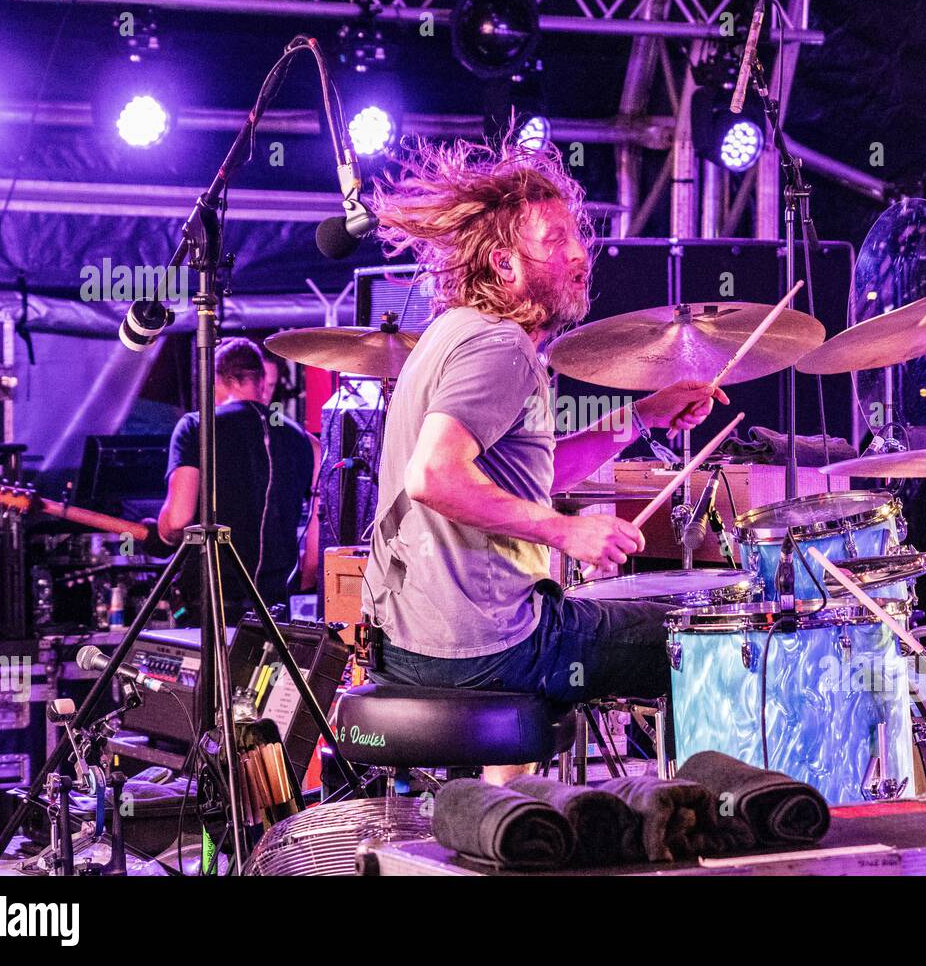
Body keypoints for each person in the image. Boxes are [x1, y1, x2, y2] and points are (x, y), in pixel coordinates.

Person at [361, 135, 726, 734]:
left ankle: (520, 806)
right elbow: (432, 476)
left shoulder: (456, 330)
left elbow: (536, 476)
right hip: (481, 648)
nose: (581, 254)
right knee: (711, 638)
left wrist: (643, 417)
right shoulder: (500, 345)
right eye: (556, 241)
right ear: (505, 264)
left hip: (410, 640)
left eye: (578, 237)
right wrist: (566, 530)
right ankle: (714, 814)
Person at [158, 338, 320, 620]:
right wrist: (302, 582)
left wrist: (163, 531)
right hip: (276, 607)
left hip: (208, 602)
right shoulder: (308, 443)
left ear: (222, 378)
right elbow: (319, 537)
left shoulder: (195, 426)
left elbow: (178, 520)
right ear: (260, 380)